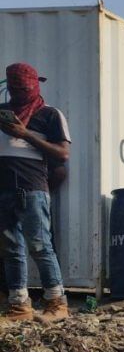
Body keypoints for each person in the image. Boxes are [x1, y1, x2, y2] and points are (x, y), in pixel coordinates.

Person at [0, 63, 70, 323]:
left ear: (35, 86)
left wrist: (24, 133)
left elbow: (62, 154)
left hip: (33, 188)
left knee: (40, 245)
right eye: (14, 89)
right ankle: (19, 307)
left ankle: (57, 302)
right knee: (11, 249)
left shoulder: (50, 115)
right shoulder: (2, 112)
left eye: (24, 89)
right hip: (4, 189)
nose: (19, 94)